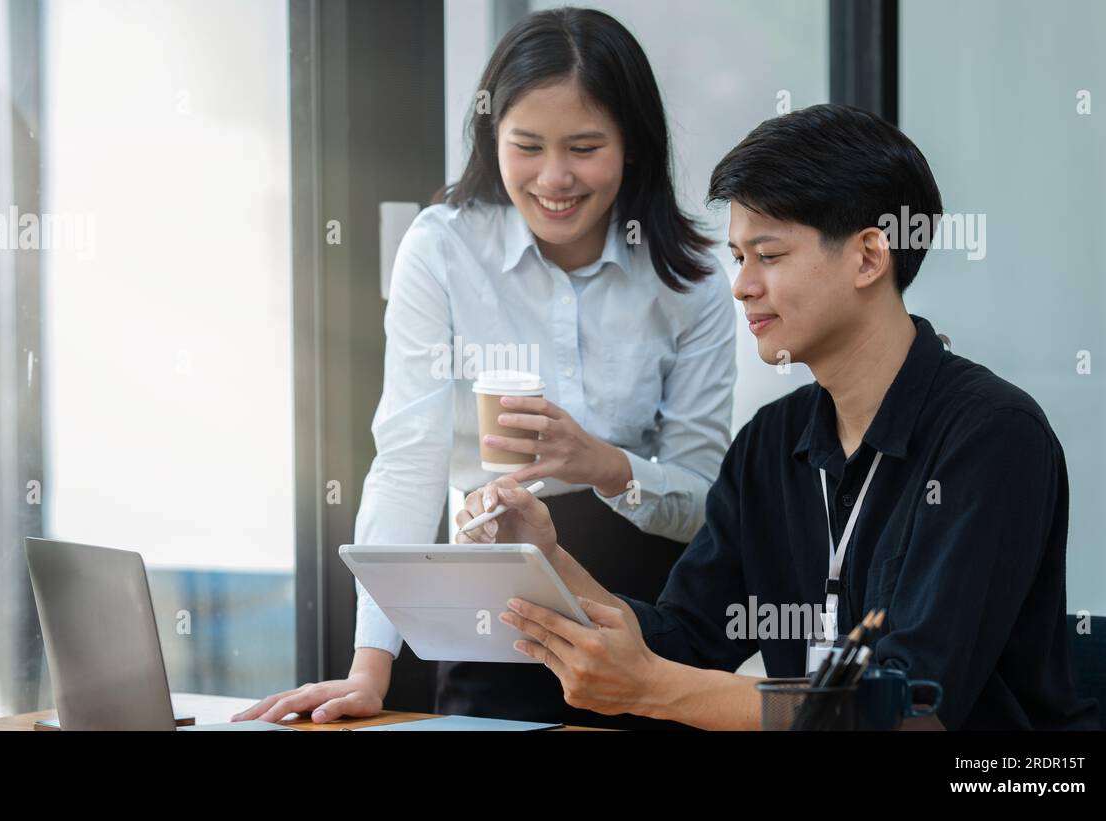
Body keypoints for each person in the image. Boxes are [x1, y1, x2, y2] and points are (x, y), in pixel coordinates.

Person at [453, 104, 1100, 731]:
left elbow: (906, 709)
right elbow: (681, 642)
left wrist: (655, 688)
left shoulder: (991, 435)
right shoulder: (770, 442)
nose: (741, 285)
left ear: (869, 256)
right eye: (738, 258)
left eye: (769, 254)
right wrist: (545, 558)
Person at [233, 7, 735, 728]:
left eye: (586, 147)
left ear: (633, 145)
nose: (555, 178)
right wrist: (368, 668)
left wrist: (602, 463)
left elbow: (703, 504)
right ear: (490, 136)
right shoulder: (442, 249)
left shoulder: (691, 279)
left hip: (643, 619)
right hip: (492, 597)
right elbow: (409, 458)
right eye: (526, 145)